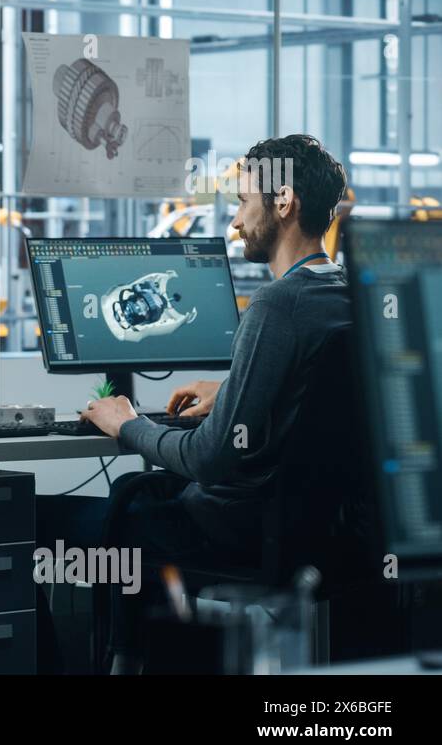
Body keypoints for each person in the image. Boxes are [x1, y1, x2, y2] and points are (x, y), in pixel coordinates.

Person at [38, 134, 351, 674]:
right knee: (131, 496)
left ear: (283, 203)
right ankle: (131, 661)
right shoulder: (342, 294)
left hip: (228, 534)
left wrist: (127, 424)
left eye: (242, 202)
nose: (234, 222)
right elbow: (306, 407)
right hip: (311, 536)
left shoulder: (277, 304)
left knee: (33, 522)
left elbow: (210, 458)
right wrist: (229, 394)